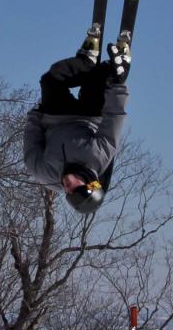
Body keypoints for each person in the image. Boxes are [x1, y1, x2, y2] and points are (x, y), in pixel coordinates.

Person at [23, 38, 132, 214]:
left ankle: (86, 61)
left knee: (51, 80)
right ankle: (114, 69)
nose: (68, 188)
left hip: (57, 117)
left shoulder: (46, 174)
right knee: (97, 84)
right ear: (89, 182)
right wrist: (118, 84)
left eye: (68, 194)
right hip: (90, 116)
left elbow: (31, 148)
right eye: (76, 190)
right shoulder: (98, 157)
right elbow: (114, 117)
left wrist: (35, 116)